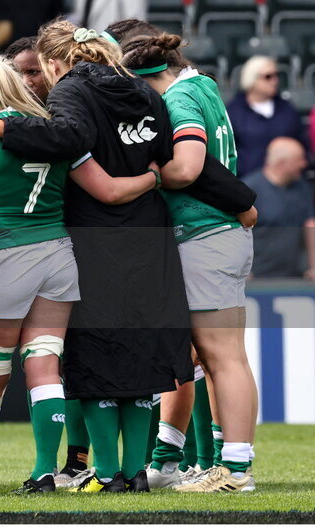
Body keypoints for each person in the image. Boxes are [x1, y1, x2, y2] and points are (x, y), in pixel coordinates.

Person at [0, 21, 255, 493]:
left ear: (56, 62)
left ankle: (102, 471)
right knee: (142, 350)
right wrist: (241, 199)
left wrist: (3, 127)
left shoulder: (71, 92)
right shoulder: (143, 93)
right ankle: (139, 471)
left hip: (94, 239)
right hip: (151, 237)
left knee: (94, 351)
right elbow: (181, 161)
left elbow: (70, 138)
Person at [0, 53, 157, 495]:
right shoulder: (58, 135)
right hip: (58, 256)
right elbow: (107, 189)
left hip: (2, 256)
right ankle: (44, 472)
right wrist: (154, 177)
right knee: (45, 369)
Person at [121, 32, 259, 494]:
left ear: (149, 78)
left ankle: (235, 471)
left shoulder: (178, 99)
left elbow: (188, 167)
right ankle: (220, 464)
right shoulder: (204, 87)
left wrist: (152, 173)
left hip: (205, 236)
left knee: (223, 357)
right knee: (217, 357)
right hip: (221, 235)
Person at [244, 137, 315, 280]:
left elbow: (310, 225)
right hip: (257, 278)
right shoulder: (249, 189)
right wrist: (242, 269)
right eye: (299, 159)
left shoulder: (301, 187)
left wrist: (313, 267)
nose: (304, 164)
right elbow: (237, 232)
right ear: (282, 163)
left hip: (294, 276)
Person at [227, 56, 306, 177]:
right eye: (268, 76)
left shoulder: (287, 109)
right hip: (246, 182)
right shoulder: (234, 111)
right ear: (251, 79)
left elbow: (300, 141)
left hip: (284, 182)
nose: (275, 80)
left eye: (276, 75)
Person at [4, 36, 48, 103]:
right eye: (17, 74)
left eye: (33, 72)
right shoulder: (6, 113)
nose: (25, 82)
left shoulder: (67, 108)